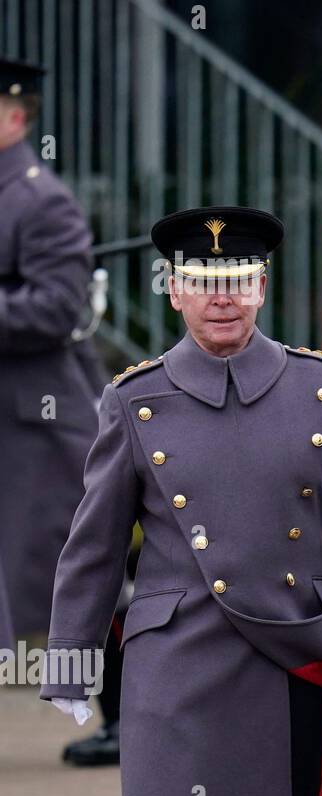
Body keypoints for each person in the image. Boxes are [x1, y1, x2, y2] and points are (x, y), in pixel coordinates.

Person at [40, 206, 322, 796]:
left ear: (262, 287)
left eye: (239, 280)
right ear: (173, 290)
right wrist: (69, 659)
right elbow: (95, 549)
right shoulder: (134, 401)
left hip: (296, 653)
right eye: (201, 282)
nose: (222, 299)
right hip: (177, 665)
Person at [0, 57, 104, 679]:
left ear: (16, 117)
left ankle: (121, 714)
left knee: (83, 577)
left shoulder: (40, 199)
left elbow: (59, 306)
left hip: (29, 423)